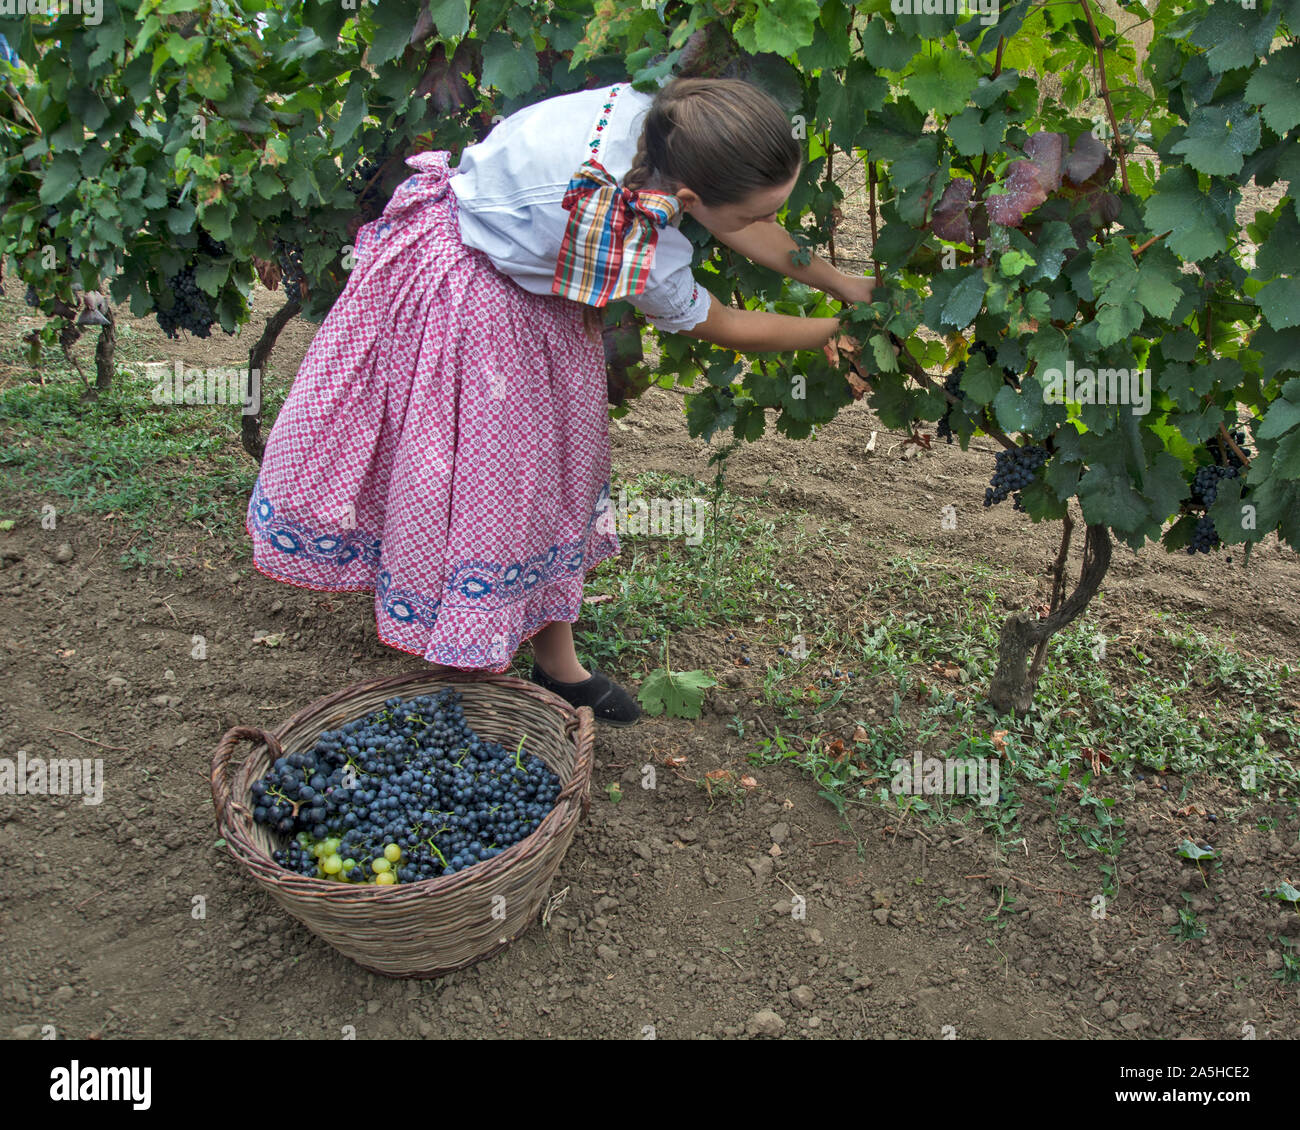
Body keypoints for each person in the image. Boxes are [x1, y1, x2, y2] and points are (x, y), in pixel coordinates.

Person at [247, 76, 873, 726]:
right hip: (474, 311)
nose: (757, 223)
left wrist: (845, 285)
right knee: (482, 488)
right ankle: (464, 659)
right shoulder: (619, 225)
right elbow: (719, 322)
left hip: (512, 291)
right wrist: (832, 330)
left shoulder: (663, 123)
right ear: (686, 196)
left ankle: (552, 659)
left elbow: (743, 219)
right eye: (751, 213)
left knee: (547, 487)